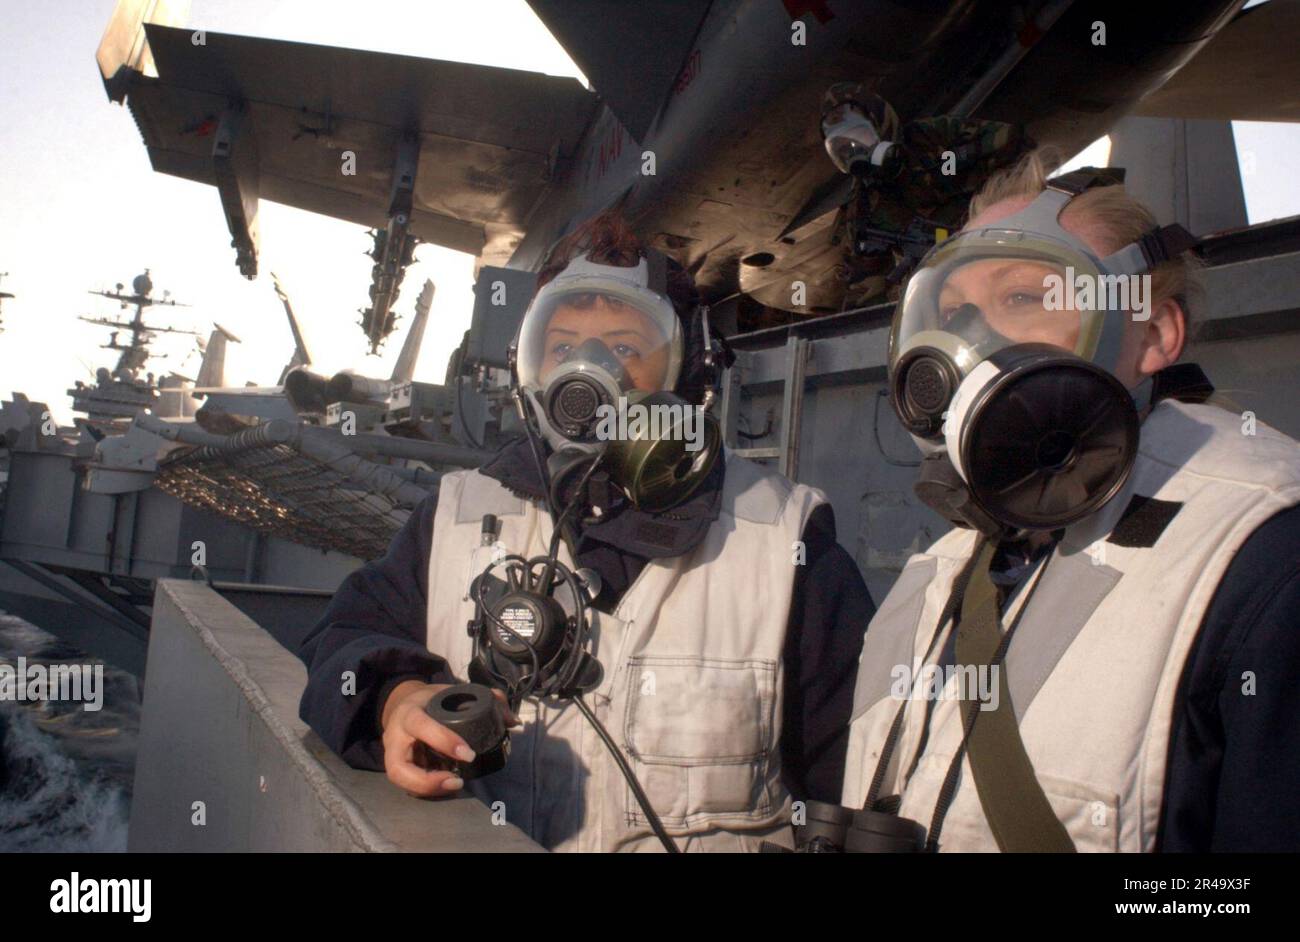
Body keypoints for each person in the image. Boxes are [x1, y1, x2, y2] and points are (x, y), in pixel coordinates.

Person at [298, 211, 874, 852]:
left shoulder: (785, 542)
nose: (588, 370)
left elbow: (850, 783)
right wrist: (398, 698)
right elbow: (344, 640)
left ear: (688, 373)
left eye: (624, 348)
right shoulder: (457, 513)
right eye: (563, 347)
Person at [841, 150, 1300, 852]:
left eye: (1023, 298)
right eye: (955, 311)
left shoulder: (1262, 556)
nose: (972, 341)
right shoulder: (943, 565)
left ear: (1155, 333)